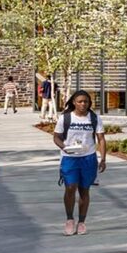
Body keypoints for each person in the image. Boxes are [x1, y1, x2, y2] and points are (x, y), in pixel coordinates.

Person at [52, 90, 107, 235]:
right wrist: (65, 147)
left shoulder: (94, 118)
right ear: (74, 103)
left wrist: (103, 159)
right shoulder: (65, 118)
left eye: (86, 102)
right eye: (80, 101)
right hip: (69, 158)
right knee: (70, 188)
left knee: (84, 190)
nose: (83, 104)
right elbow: (56, 137)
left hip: (88, 158)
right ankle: (70, 220)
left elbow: (101, 139)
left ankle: (82, 222)